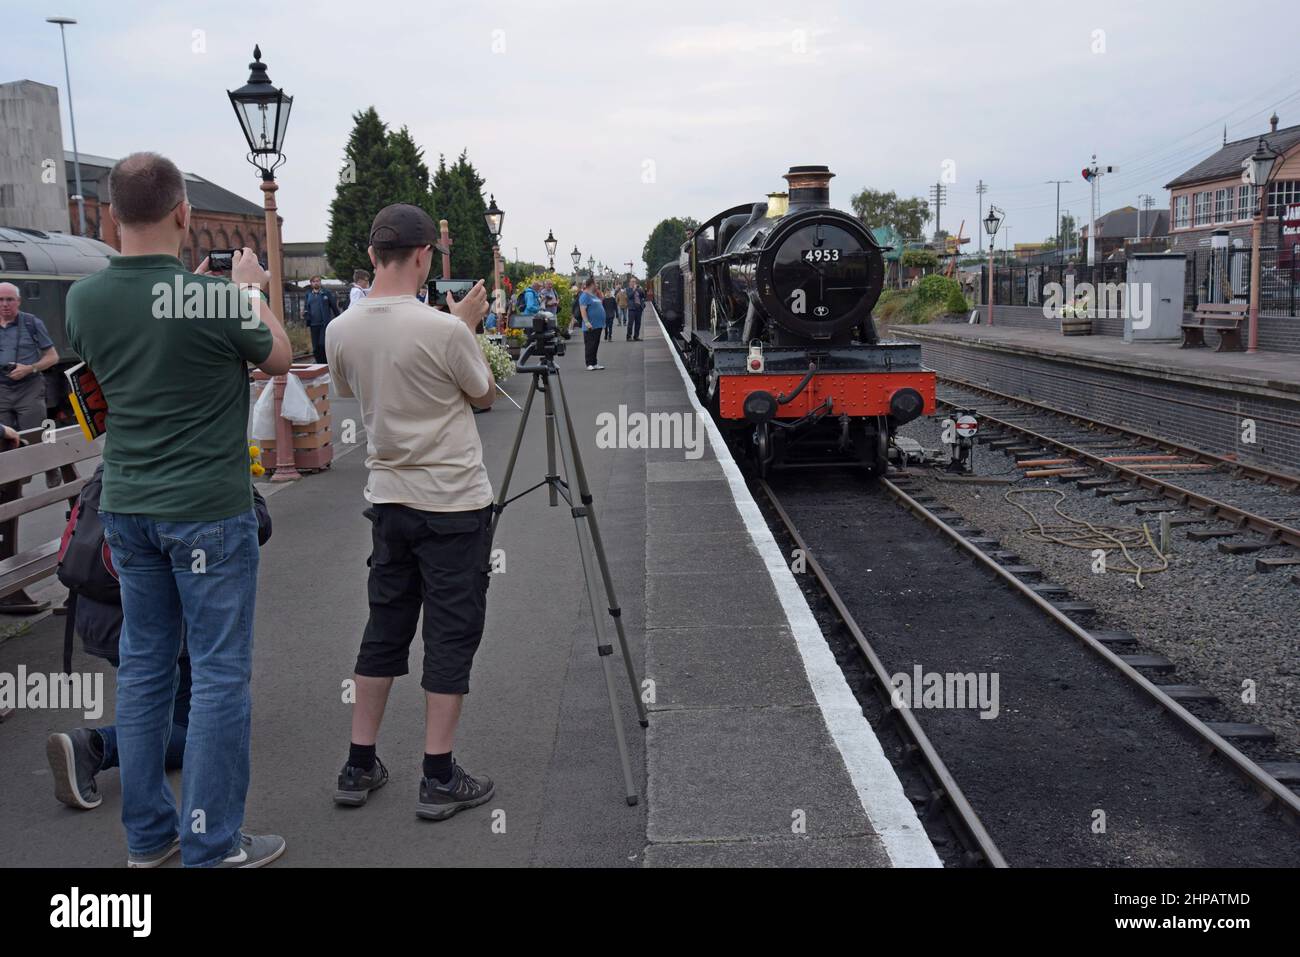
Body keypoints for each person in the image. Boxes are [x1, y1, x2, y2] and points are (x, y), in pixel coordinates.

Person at [65, 151, 293, 869]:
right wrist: (249, 291)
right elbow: (282, 356)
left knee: (143, 670)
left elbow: (146, 334)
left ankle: (148, 838)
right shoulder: (217, 300)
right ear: (185, 215)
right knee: (221, 674)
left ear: (109, 216)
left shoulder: (82, 300)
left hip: (128, 508)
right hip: (207, 510)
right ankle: (212, 842)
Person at [325, 203, 498, 822]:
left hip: (388, 501)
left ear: (374, 255)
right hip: (452, 501)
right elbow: (481, 394)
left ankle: (359, 761)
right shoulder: (444, 330)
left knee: (384, 627)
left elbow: (350, 390)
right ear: (425, 256)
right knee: (451, 632)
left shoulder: (340, 329)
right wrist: (467, 324)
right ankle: (438, 774)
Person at [45, 466, 272, 813]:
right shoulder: (197, 463)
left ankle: (147, 833)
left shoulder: (114, 465)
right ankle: (94, 746)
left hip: (98, 617)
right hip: (155, 622)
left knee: (143, 689)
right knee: (198, 720)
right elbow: (254, 525)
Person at [0, 282, 62, 489]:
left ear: (18, 301)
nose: (5, 304)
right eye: (0, 300)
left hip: (29, 386)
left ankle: (53, 464)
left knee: (39, 428)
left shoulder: (31, 323)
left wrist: (29, 369)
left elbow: (53, 357)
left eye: (9, 299)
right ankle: (13, 482)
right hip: (1, 389)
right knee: (5, 436)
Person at [303, 275, 340, 364]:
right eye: (314, 281)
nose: (316, 283)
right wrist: (305, 314)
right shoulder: (308, 295)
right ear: (311, 283)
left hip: (324, 324)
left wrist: (338, 319)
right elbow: (306, 308)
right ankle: (318, 363)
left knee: (322, 344)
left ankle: (325, 362)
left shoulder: (326, 293)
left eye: (318, 281)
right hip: (313, 324)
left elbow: (334, 307)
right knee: (315, 347)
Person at [578, 276, 606, 370]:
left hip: (598, 324)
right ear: (592, 284)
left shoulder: (594, 295)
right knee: (590, 344)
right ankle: (589, 363)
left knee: (595, 344)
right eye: (596, 283)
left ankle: (594, 362)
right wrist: (586, 322)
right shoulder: (585, 296)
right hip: (590, 325)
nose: (597, 285)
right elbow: (583, 309)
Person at [626, 276, 646, 341]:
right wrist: (634, 290)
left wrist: (641, 289)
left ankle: (636, 336)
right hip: (632, 309)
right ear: (630, 283)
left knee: (638, 323)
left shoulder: (638, 289)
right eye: (632, 281)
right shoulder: (628, 289)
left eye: (635, 281)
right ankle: (629, 336)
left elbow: (643, 296)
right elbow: (630, 296)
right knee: (630, 323)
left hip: (639, 308)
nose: (634, 283)